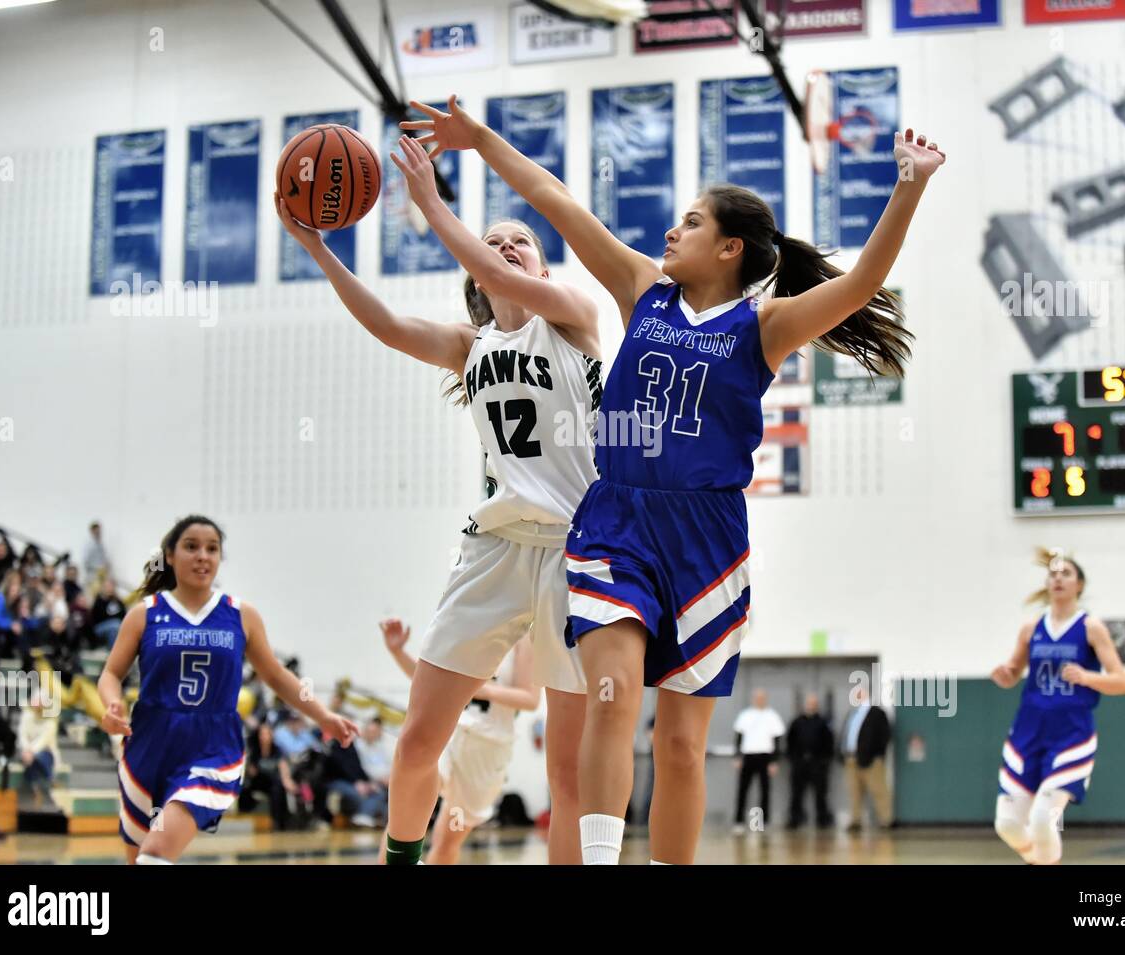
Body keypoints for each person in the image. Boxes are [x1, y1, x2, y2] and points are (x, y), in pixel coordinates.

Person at [401, 96, 942, 863]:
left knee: (683, 745)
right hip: (616, 520)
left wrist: (907, 189)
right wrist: (479, 137)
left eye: (690, 222)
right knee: (612, 700)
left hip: (707, 536)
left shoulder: (763, 325)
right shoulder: (639, 289)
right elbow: (556, 198)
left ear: (729, 249)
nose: (671, 230)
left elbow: (859, 286)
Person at [277, 132, 604, 866]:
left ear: (543, 265)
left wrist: (430, 201)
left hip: (579, 551)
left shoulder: (574, 318)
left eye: (521, 240)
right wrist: (318, 249)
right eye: (497, 241)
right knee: (420, 738)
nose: (509, 245)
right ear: (478, 281)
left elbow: (499, 271)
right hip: (493, 548)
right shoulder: (470, 345)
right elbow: (388, 326)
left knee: (568, 771)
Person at [97, 515, 358, 864]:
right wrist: (112, 705)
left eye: (212, 548)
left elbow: (277, 675)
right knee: (138, 859)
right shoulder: (145, 614)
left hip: (212, 746)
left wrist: (323, 715)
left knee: (155, 854)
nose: (202, 555)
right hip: (149, 742)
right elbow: (110, 674)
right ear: (170, 555)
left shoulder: (240, 615)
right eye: (191, 547)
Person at [992, 549, 1125, 865]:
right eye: (1053, 573)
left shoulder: (1091, 627)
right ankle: (1041, 860)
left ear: (1079, 584)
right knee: (1008, 824)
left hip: (1071, 732)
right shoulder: (1031, 628)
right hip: (1028, 730)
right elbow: (1014, 671)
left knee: (1042, 818)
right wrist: (1006, 675)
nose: (1057, 578)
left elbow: (1122, 682)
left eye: (1065, 573)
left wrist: (1086, 677)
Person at [381, 618, 538, 864]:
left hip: (488, 748)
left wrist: (479, 688)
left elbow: (530, 698)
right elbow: (429, 680)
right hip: (452, 731)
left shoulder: (524, 632)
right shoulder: (469, 616)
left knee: (446, 842)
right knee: (405, 810)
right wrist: (398, 653)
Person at [732, 688, 785, 831]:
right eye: (757, 697)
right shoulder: (745, 715)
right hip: (748, 756)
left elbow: (777, 740)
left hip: (765, 757)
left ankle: (764, 822)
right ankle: (739, 822)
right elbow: (739, 737)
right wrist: (738, 757)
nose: (759, 700)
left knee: (765, 791)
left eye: (762, 698)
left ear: (765, 699)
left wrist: (774, 761)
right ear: (753, 699)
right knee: (743, 790)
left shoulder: (772, 716)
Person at [840, 686, 892, 831]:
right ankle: (855, 820)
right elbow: (846, 734)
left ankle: (885, 820)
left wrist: (876, 755)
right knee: (854, 792)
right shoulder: (852, 713)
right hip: (851, 759)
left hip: (871, 761)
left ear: (867, 694)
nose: (857, 696)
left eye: (860, 693)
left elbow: (885, 735)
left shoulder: (877, 713)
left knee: (878, 790)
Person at [786, 693, 834, 829]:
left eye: (814, 704)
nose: (811, 706)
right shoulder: (797, 722)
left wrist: (824, 760)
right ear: (805, 705)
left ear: (817, 706)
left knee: (820, 793)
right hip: (800, 763)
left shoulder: (823, 723)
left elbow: (829, 743)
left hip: (817, 764)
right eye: (809, 703)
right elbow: (790, 741)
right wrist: (794, 758)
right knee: (796, 793)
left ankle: (822, 820)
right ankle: (795, 819)